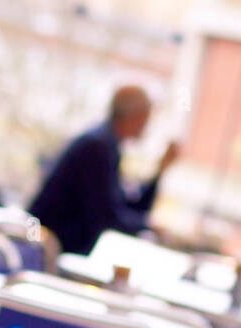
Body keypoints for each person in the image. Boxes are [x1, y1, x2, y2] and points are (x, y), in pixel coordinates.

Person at [26, 86, 179, 255]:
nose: (147, 126)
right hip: (46, 249)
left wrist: (160, 171)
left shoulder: (107, 145)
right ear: (136, 117)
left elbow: (126, 207)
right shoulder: (97, 147)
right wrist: (148, 226)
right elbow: (106, 217)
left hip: (60, 247)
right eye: (147, 118)